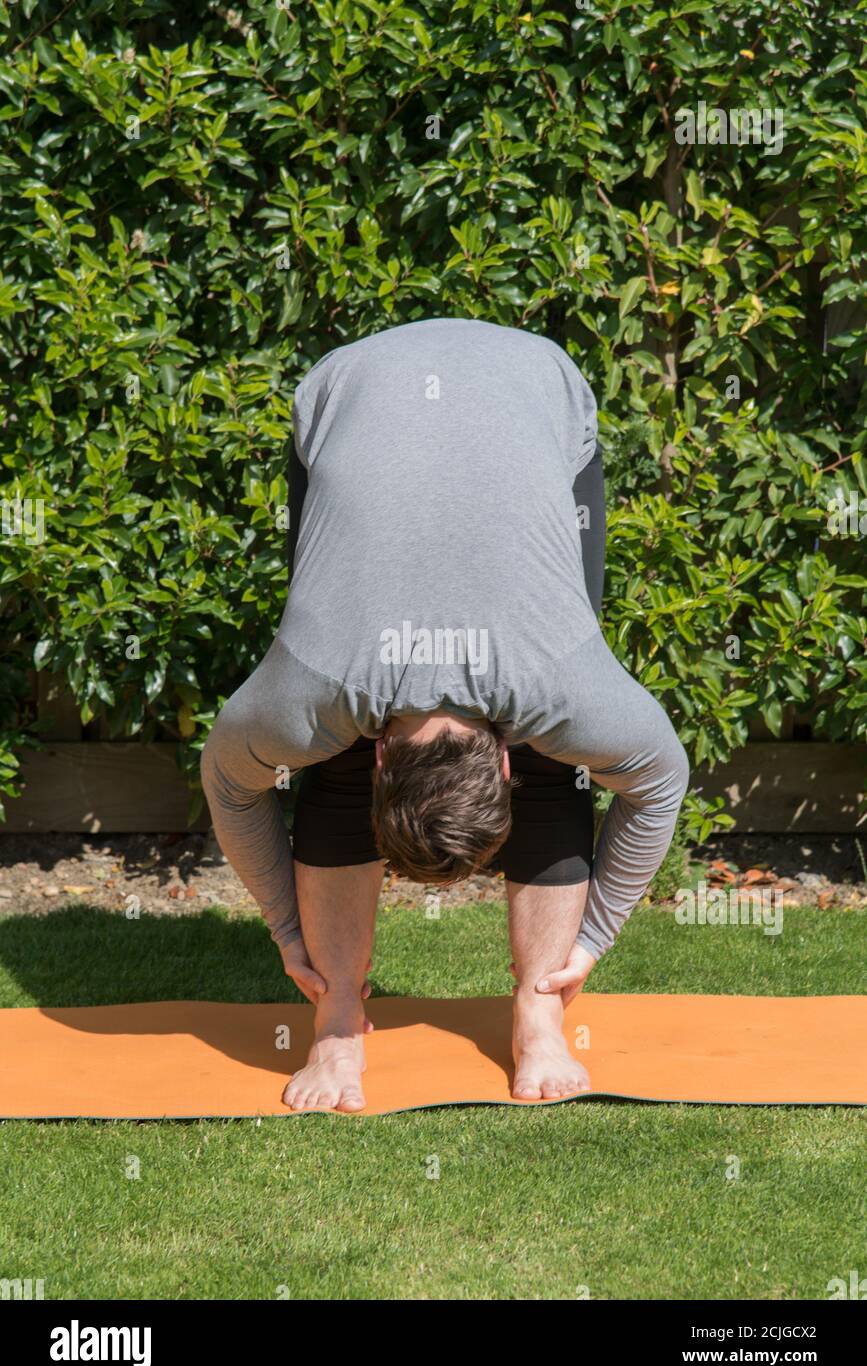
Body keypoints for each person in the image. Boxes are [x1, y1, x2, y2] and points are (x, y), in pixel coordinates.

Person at [201, 317, 689, 1112]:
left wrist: (288, 929)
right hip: (353, 393)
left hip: (532, 392)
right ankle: (335, 1015)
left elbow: (228, 785)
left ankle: (539, 1012)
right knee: (341, 751)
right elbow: (659, 783)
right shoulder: (319, 685)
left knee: (533, 756)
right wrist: (596, 933)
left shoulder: (549, 678)